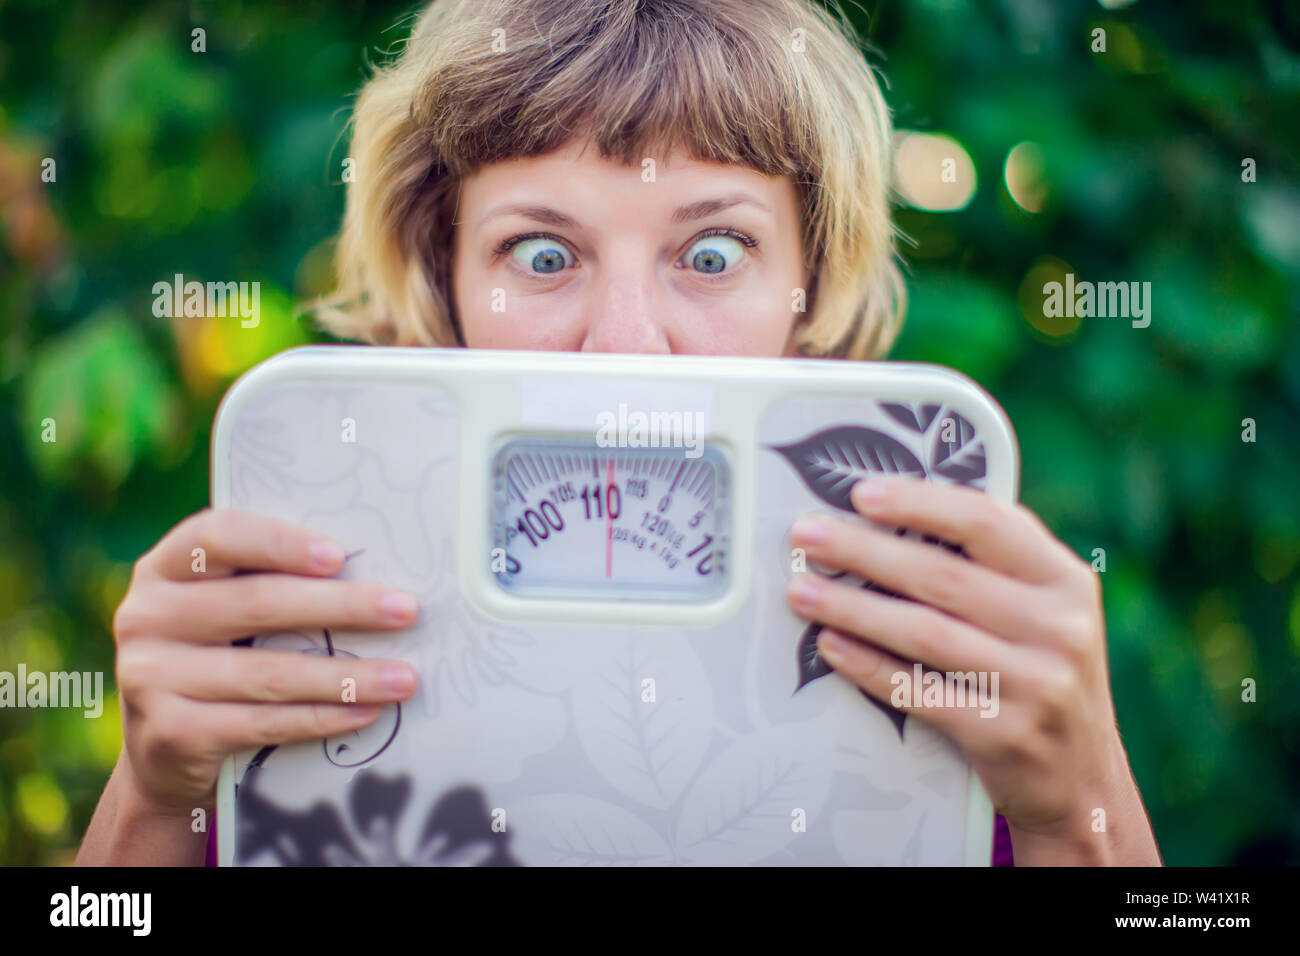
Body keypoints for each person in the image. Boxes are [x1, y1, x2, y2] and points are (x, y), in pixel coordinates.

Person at [76, 0, 1162, 867]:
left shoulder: (940, 649)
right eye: (543, 256)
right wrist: (148, 801)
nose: (626, 348)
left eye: (713, 252)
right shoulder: (284, 623)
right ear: (446, 286)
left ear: (809, 286)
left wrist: (1082, 811)